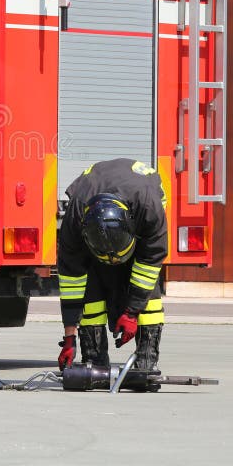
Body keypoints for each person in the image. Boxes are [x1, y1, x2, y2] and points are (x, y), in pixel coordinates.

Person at [56, 158, 167, 373]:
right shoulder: (76, 219)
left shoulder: (149, 208)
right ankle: (94, 359)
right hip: (93, 206)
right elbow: (72, 280)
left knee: (147, 291)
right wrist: (69, 338)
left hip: (141, 213)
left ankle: (146, 359)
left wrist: (132, 312)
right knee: (91, 289)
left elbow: (150, 260)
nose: (113, 262)